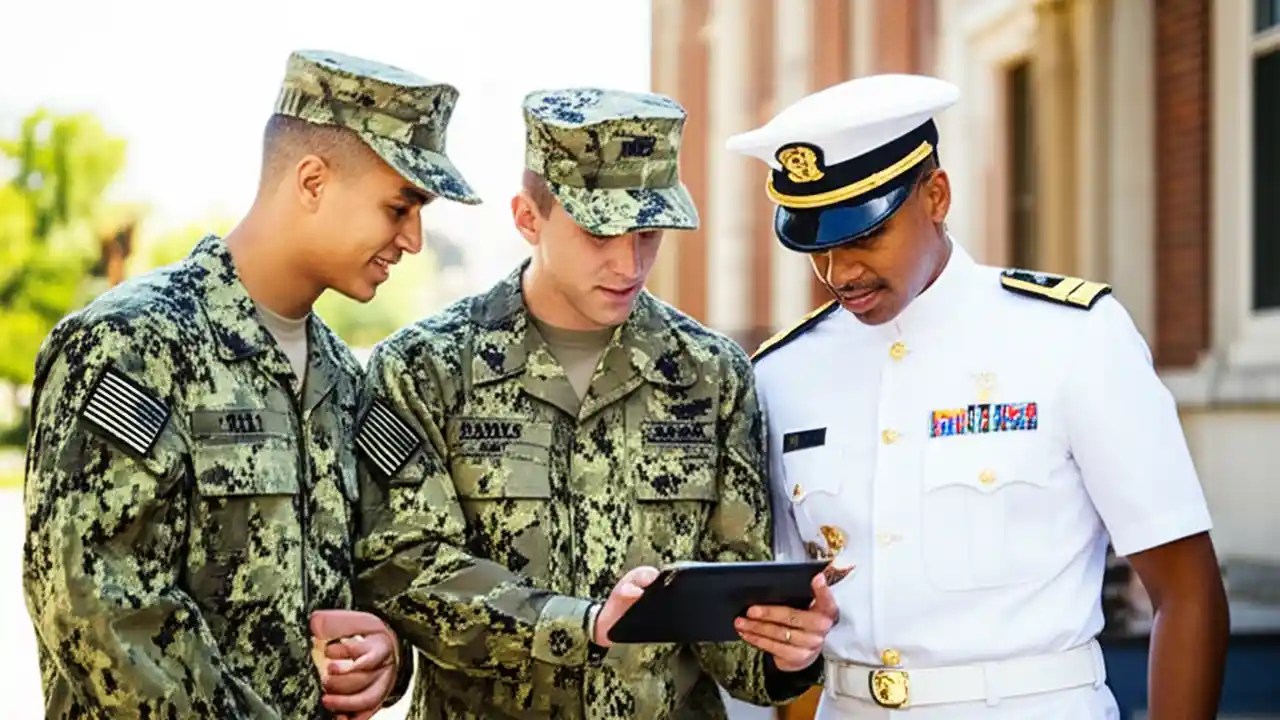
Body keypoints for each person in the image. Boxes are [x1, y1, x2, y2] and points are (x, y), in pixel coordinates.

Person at [726, 74, 1230, 718]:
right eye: (817, 248)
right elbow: (786, 616)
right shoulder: (783, 372)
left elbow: (1187, 593)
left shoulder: (1072, 337)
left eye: (863, 237)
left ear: (936, 196)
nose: (839, 272)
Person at [21, 49, 480, 719]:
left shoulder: (344, 380)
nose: (413, 239)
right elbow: (97, 608)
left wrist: (385, 655)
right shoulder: (133, 345)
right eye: (399, 207)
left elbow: (389, 562)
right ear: (313, 181)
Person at [351, 87, 835, 719]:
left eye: (649, 232)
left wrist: (782, 652)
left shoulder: (711, 374)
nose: (628, 262)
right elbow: (404, 567)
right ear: (528, 218)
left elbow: (730, 608)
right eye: (600, 231)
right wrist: (579, 625)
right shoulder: (424, 368)